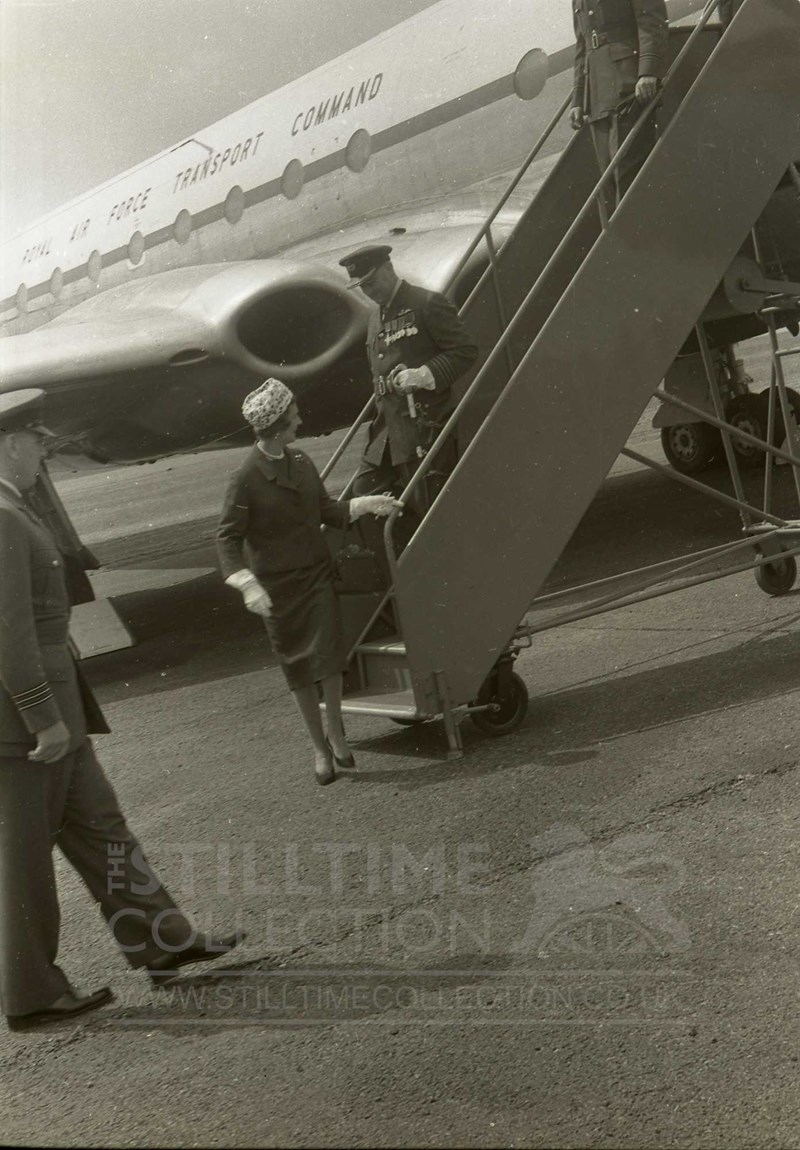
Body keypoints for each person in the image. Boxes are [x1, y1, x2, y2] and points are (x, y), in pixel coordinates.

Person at [0, 389, 243, 1032]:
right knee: (23, 860)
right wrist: (40, 717)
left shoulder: (12, 505)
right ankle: (31, 995)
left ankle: (164, 940)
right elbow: (9, 632)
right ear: (6, 445)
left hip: (56, 710)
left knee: (104, 827)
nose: (40, 455)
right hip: (26, 725)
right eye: (32, 443)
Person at [216, 378, 400, 786]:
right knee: (299, 669)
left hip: (316, 575)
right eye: (294, 415)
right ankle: (319, 748)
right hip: (276, 589)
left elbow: (328, 511)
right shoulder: (245, 476)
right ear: (279, 424)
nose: (299, 419)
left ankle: (335, 732)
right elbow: (226, 536)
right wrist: (245, 582)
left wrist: (365, 504)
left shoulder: (300, 462)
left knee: (330, 659)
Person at [339, 244, 478, 519]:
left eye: (372, 281)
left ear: (389, 269)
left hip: (422, 427)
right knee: (365, 496)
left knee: (430, 506)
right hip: (385, 433)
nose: (369, 291)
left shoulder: (426, 303)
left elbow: (465, 351)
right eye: (363, 286)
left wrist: (424, 374)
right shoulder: (374, 320)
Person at [570, 0, 669, 211]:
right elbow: (582, 45)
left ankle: (637, 241)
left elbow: (651, 18)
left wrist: (648, 70)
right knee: (609, 182)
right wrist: (578, 99)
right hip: (597, 93)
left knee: (626, 176)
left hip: (628, 84)